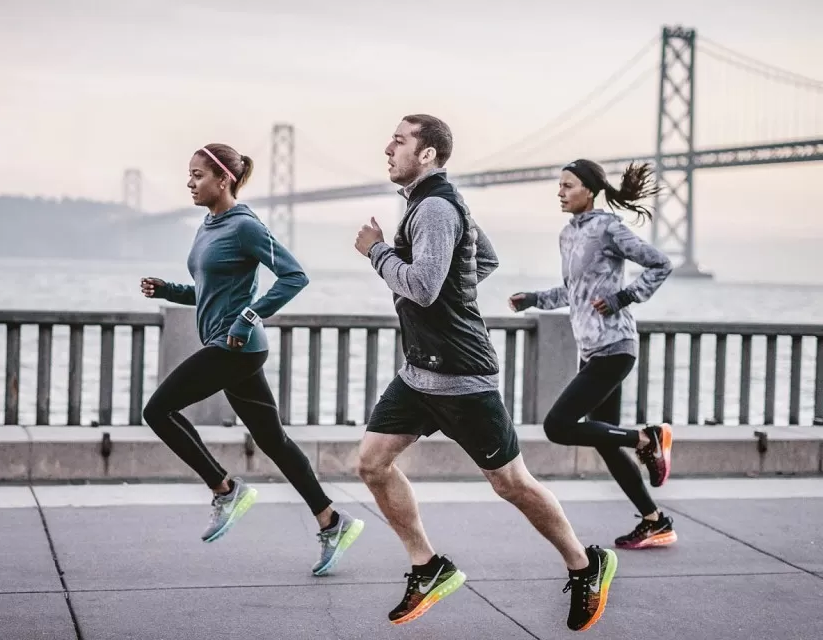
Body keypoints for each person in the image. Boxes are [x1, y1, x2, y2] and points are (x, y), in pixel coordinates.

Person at [354, 115, 616, 632]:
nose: (388, 148)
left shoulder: (433, 207)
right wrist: (451, 286)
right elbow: (484, 259)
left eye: (400, 141)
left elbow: (424, 288)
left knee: (511, 484)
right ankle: (428, 566)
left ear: (427, 154)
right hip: (418, 374)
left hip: (460, 374)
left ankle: (586, 565)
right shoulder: (432, 204)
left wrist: (376, 251)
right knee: (372, 464)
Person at [140, 143, 363, 576]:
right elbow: (208, 292)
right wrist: (170, 290)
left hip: (235, 346)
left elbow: (295, 275)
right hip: (231, 345)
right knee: (272, 439)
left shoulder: (245, 226)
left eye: (198, 175)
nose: (189, 182)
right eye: (188, 174)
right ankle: (331, 521)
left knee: (157, 410)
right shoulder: (208, 225)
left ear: (223, 179)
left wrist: (248, 316)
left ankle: (225, 489)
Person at [508, 158, 677, 551]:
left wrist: (623, 297)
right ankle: (655, 522)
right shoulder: (568, 235)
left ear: (589, 190)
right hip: (591, 351)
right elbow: (574, 291)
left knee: (558, 425)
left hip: (615, 347)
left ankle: (646, 439)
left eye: (568, 186)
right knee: (605, 441)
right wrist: (535, 299)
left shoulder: (609, 228)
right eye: (560, 186)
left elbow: (660, 264)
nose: (560, 192)